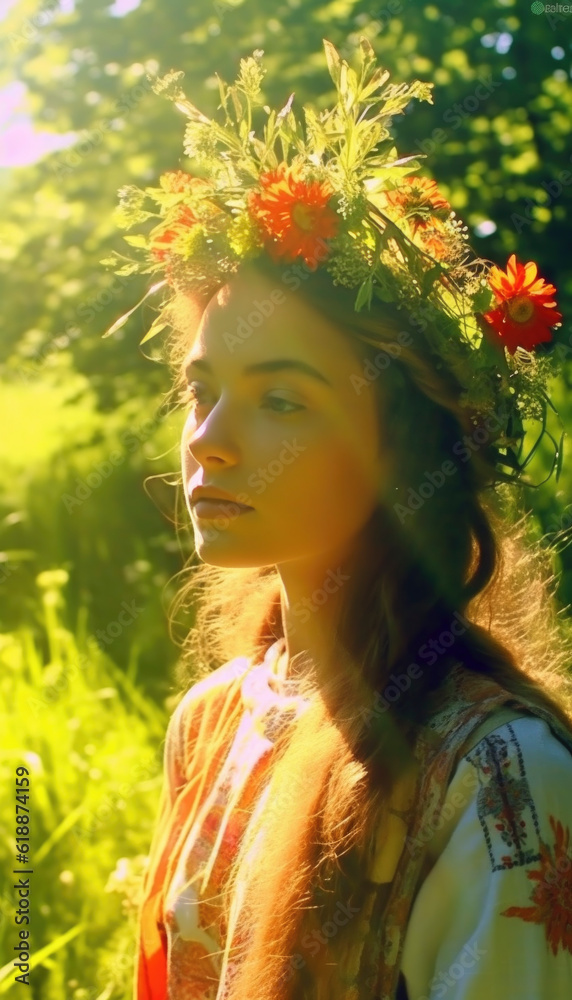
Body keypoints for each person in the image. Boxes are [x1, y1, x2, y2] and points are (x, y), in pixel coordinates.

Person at [103, 39, 572, 1000]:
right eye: (202, 391)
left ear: (399, 453)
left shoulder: (502, 779)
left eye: (282, 401)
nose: (209, 441)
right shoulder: (213, 719)